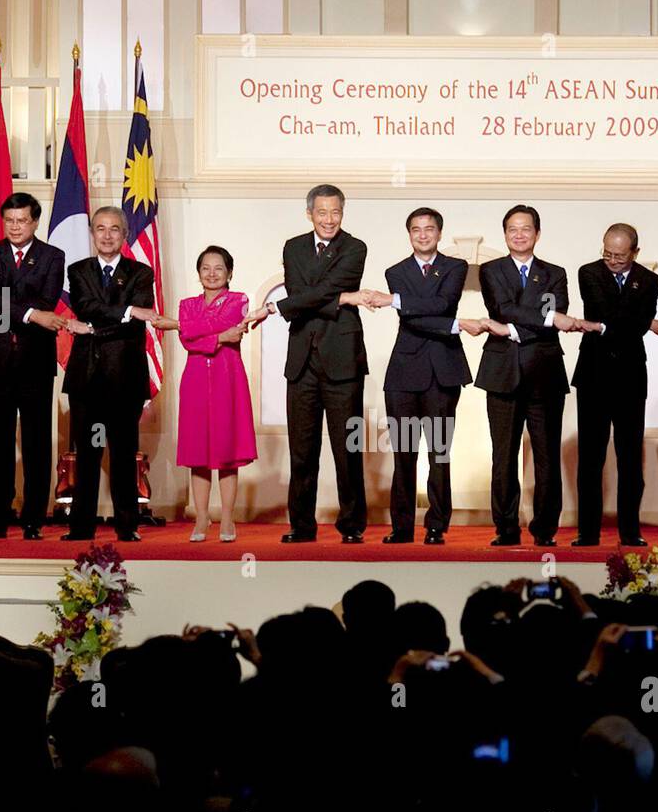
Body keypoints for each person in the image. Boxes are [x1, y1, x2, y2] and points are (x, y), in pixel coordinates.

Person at [245, 185, 370, 544]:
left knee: (348, 448)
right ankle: (301, 525)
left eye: (335, 213)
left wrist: (276, 307)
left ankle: (351, 526)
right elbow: (306, 292)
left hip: (343, 361)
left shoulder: (355, 247)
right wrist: (341, 298)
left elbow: (309, 294)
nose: (329, 220)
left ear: (342, 214)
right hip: (302, 362)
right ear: (309, 214)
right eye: (322, 213)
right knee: (302, 449)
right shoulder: (293, 247)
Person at [475, 204, 592, 547]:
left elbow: (556, 309)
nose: (519, 234)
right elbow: (502, 308)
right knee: (503, 455)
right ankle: (506, 528)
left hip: (544, 373)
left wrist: (511, 329)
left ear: (537, 234)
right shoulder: (490, 270)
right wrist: (542, 321)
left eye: (526, 229)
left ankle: (544, 529)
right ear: (505, 234)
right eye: (512, 229)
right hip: (502, 374)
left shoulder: (554, 272)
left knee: (546, 455)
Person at [370, 207, 471, 545]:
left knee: (439, 453)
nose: (423, 235)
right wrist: (455, 325)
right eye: (416, 229)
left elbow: (441, 304)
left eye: (429, 229)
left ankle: (436, 526)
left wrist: (395, 301)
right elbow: (414, 319)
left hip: (443, 371)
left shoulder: (455, 267)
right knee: (404, 453)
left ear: (439, 233)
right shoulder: (395, 271)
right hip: (403, 374)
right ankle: (401, 526)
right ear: (409, 234)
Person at [0, 192, 67, 541]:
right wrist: (30, 314)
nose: (15, 227)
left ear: (35, 222)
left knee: (37, 441)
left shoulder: (52, 256)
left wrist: (22, 309)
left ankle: (33, 520)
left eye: (22, 221)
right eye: (9, 221)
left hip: (36, 362)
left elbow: (48, 300)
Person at [61, 206, 157, 542]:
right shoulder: (78, 270)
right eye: (100, 228)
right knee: (86, 455)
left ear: (125, 234)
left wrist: (92, 329)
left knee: (122, 455)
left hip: (125, 378)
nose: (106, 235)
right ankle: (81, 526)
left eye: (114, 229)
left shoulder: (141, 273)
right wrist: (129, 311)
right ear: (92, 233)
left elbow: (125, 324)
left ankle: (127, 526)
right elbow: (86, 307)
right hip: (86, 378)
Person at [151, 246, 256, 542]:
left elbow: (220, 325)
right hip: (196, 381)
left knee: (226, 452)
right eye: (206, 268)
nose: (212, 273)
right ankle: (201, 519)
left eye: (218, 268)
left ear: (229, 273)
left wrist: (177, 325)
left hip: (228, 380)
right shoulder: (188, 304)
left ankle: (226, 519)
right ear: (198, 274)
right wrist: (220, 337)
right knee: (198, 453)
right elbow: (190, 341)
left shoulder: (239, 300)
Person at [572, 223, 658, 547]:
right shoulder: (588, 273)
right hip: (594, 376)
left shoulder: (650, 280)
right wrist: (616, 321)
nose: (611, 260)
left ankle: (629, 530)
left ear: (635, 253)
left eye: (620, 257)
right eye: (607, 253)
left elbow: (637, 325)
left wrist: (606, 325)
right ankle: (588, 531)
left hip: (631, 377)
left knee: (629, 458)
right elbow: (602, 310)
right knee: (591, 458)